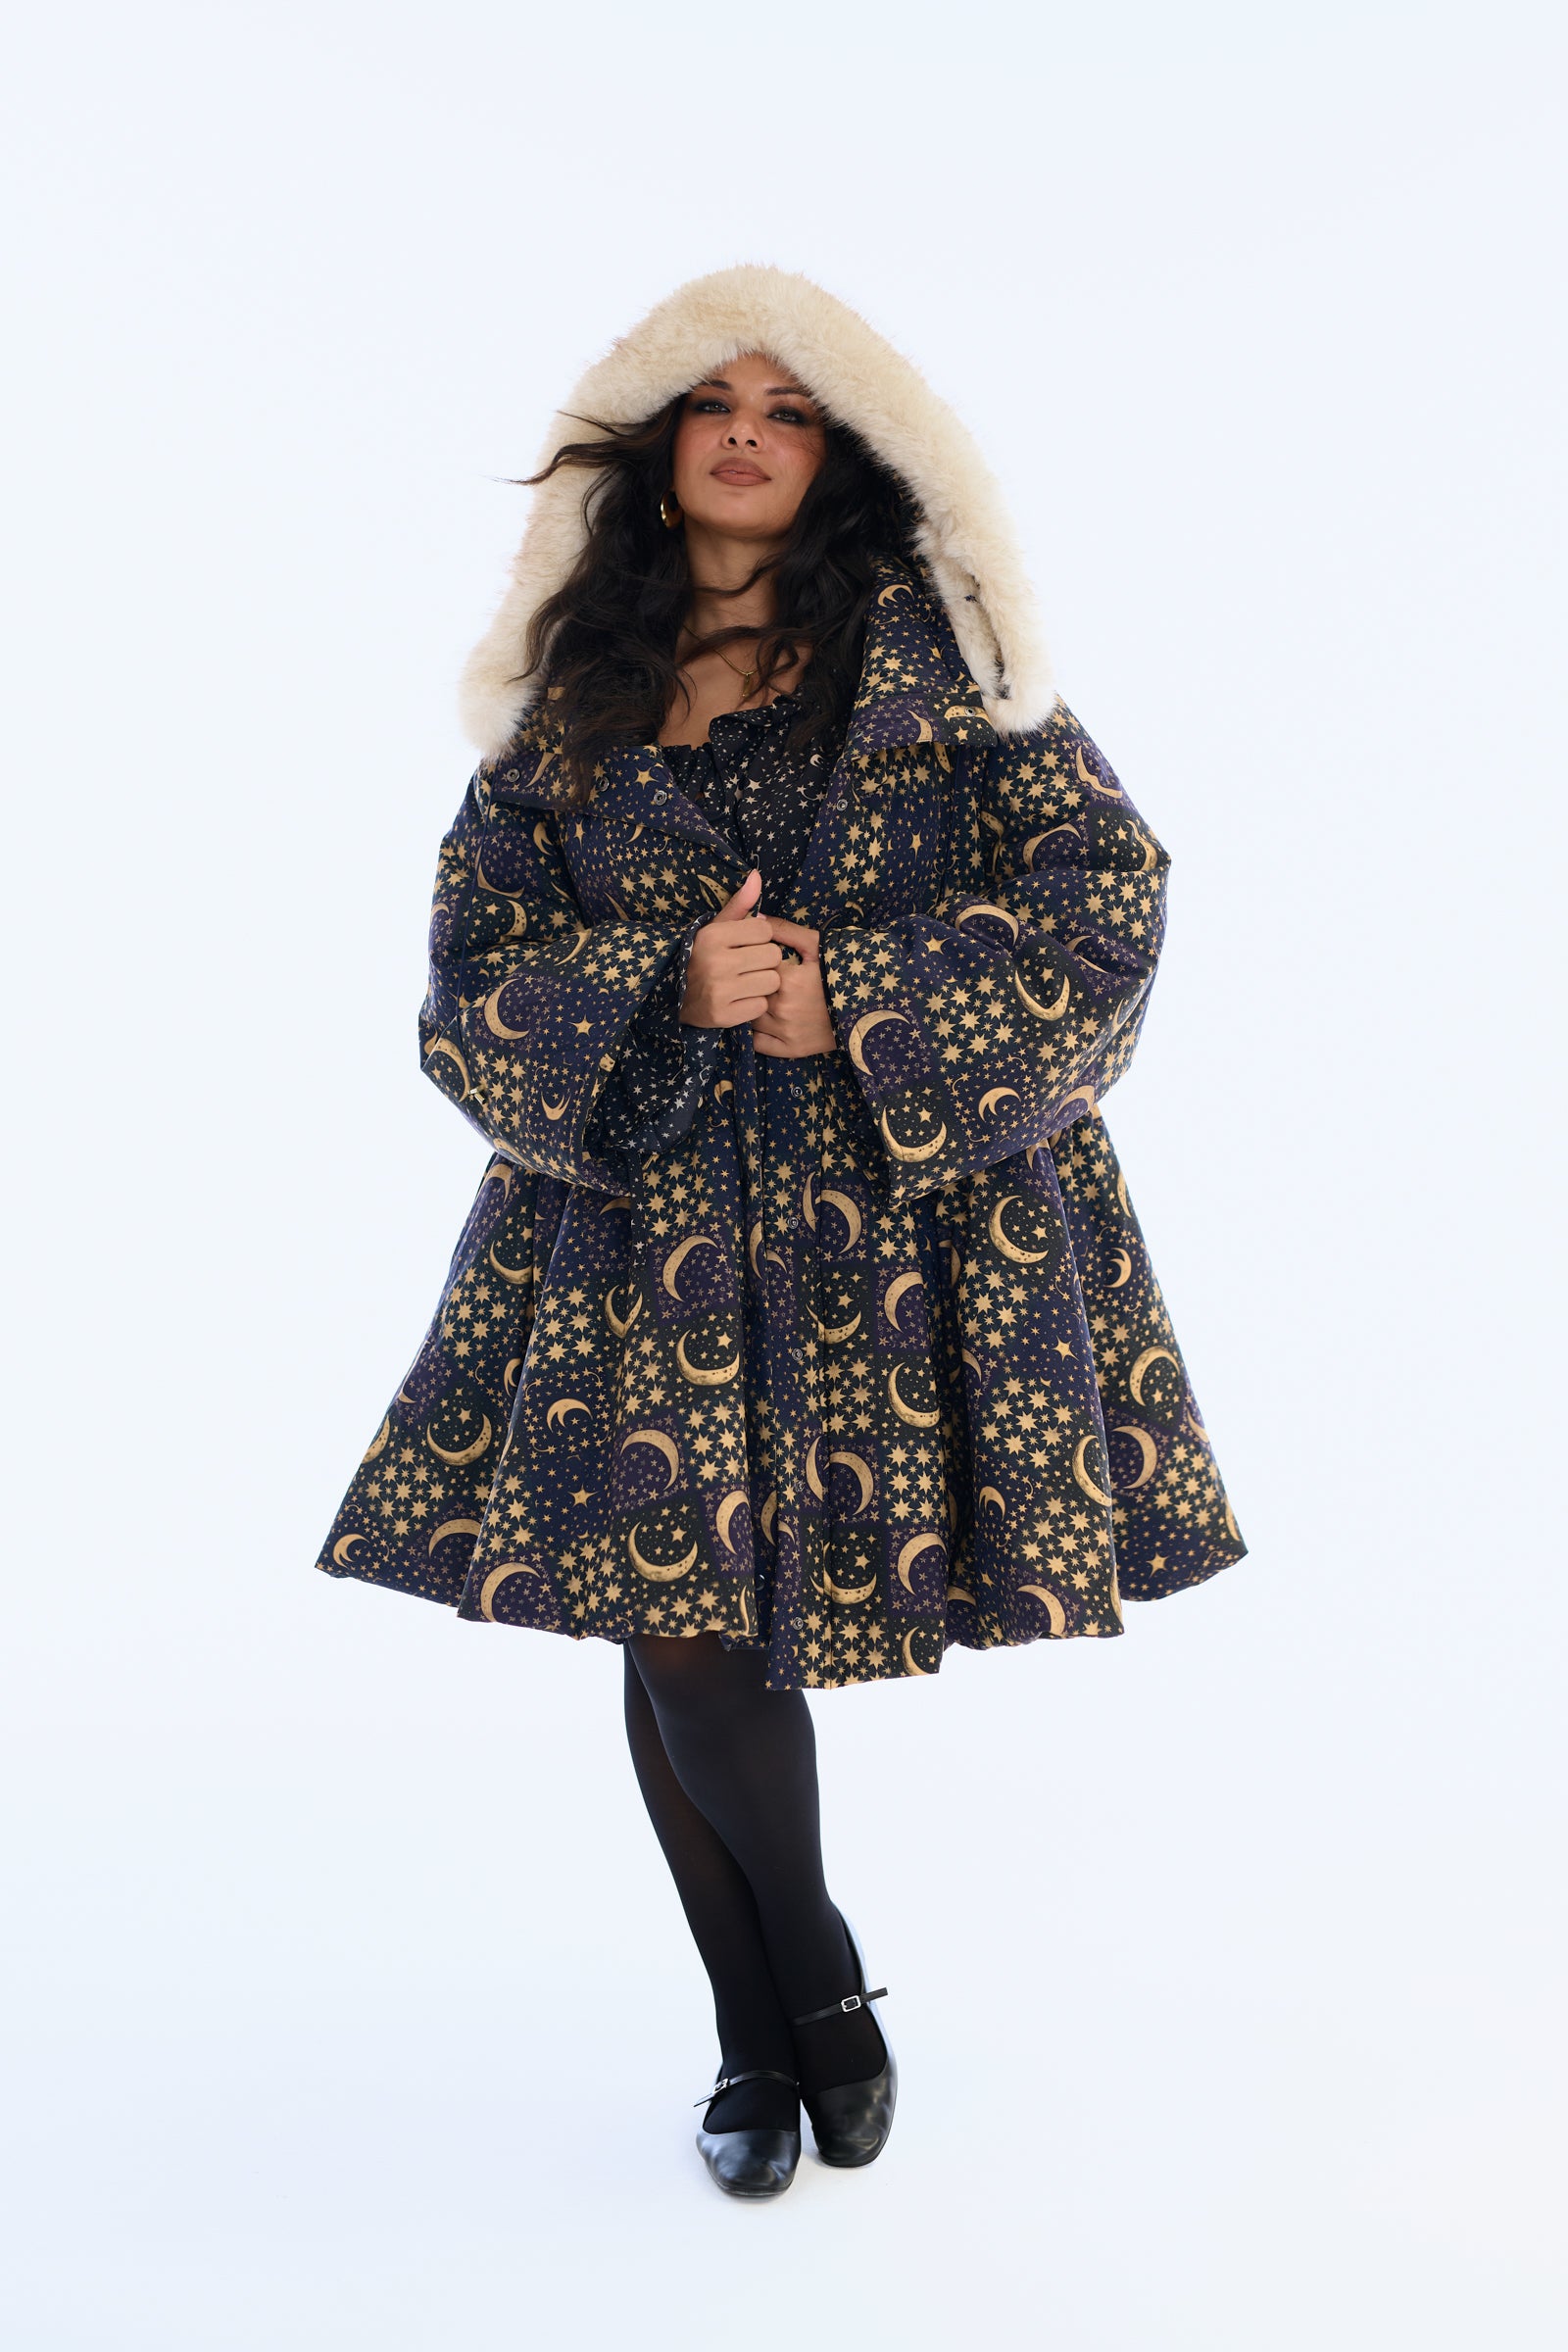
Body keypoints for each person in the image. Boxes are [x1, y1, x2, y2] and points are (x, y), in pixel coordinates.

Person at [318, 267, 1247, 2199]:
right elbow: (461, 993)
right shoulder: (567, 706)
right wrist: (665, 986)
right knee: (675, 1630)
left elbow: (1113, 901)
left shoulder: (947, 669)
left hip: (890, 1234)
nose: (745, 430)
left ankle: (761, 2038)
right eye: (711, 402)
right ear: (657, 445)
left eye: (789, 408)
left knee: (705, 1641)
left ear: (841, 455)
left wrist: (867, 999)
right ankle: (797, 2007)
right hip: (636, 1232)